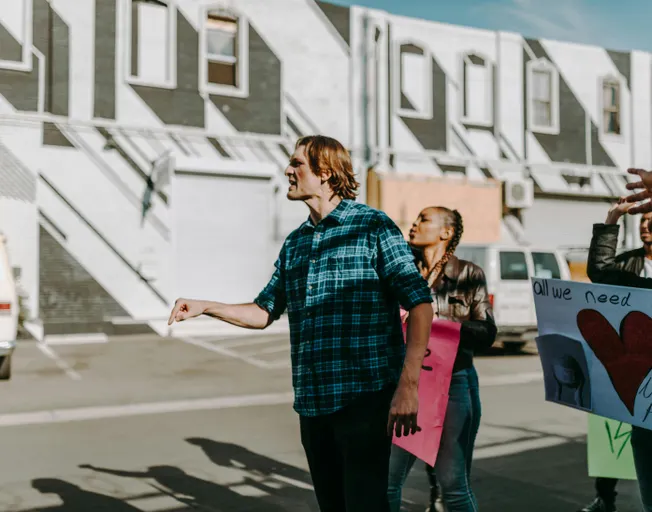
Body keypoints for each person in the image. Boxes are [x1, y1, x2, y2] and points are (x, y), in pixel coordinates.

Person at [168, 135, 435, 512]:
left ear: (325, 172)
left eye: (297, 164)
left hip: (365, 398)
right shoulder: (295, 243)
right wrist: (206, 306)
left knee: (364, 505)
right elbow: (264, 311)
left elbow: (421, 303)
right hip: (312, 404)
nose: (287, 171)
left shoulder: (373, 227)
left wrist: (408, 387)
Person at [387, 206, 497, 512]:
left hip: (454, 382)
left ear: (446, 233)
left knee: (453, 486)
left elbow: (487, 332)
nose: (414, 224)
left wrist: (438, 324)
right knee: (388, 481)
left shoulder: (468, 274)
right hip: (407, 384)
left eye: (424, 220)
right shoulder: (400, 269)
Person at [586, 193, 652, 512]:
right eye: (644, 220)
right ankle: (604, 496)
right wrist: (611, 221)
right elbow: (601, 273)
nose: (647, 226)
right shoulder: (630, 266)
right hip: (641, 389)